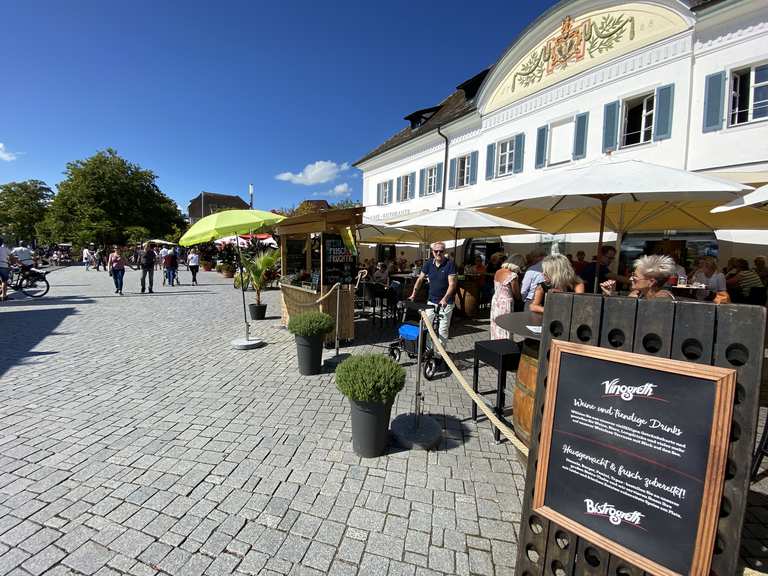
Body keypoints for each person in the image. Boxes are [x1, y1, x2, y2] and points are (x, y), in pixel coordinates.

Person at [409, 241, 457, 350]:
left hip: (446, 303)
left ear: (444, 251)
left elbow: (452, 284)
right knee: (427, 326)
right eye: (436, 251)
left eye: (441, 251)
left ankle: (439, 355)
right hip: (431, 300)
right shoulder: (428, 263)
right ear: (432, 252)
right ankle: (428, 350)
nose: (438, 253)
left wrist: (445, 299)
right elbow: (420, 279)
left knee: (442, 330)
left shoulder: (450, 264)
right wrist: (413, 294)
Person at [601, 255, 676, 300]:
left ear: (651, 282)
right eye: (632, 274)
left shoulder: (662, 300)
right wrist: (609, 294)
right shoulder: (640, 294)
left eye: (635, 276)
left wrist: (632, 304)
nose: (631, 278)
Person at [490, 261, 522, 339]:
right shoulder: (513, 275)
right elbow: (516, 294)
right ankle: (505, 344)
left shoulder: (498, 272)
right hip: (505, 302)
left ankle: (495, 342)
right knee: (505, 325)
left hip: (496, 300)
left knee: (496, 324)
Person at [0, 237, 10, 302]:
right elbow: (11, 256)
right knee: (4, 281)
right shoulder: (5, 248)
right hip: (3, 265)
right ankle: (4, 296)